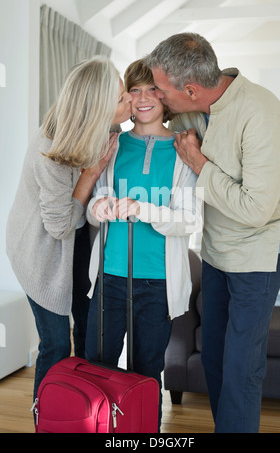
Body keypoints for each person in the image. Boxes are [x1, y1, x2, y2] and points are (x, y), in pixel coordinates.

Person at [145, 33, 280, 433]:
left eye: (161, 90)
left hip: (258, 256)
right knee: (213, 359)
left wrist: (199, 163)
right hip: (216, 253)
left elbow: (255, 210)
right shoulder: (199, 107)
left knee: (240, 369)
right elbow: (153, 123)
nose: (159, 99)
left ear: (191, 89)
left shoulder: (263, 116)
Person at [84, 59, 203, 430]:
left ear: (166, 97)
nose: (144, 97)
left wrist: (144, 209)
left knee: (147, 374)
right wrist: (97, 206)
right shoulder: (112, 145)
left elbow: (190, 219)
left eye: (153, 89)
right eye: (134, 90)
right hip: (109, 277)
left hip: (157, 284)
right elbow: (90, 208)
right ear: (126, 98)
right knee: (96, 370)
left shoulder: (184, 150)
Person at [6, 56, 132, 403]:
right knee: (57, 343)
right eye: (121, 98)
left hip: (75, 245)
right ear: (98, 107)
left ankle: (81, 414)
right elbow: (60, 226)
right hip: (38, 250)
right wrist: (91, 174)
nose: (129, 102)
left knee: (88, 333)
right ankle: (46, 418)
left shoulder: (108, 132)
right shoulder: (50, 149)